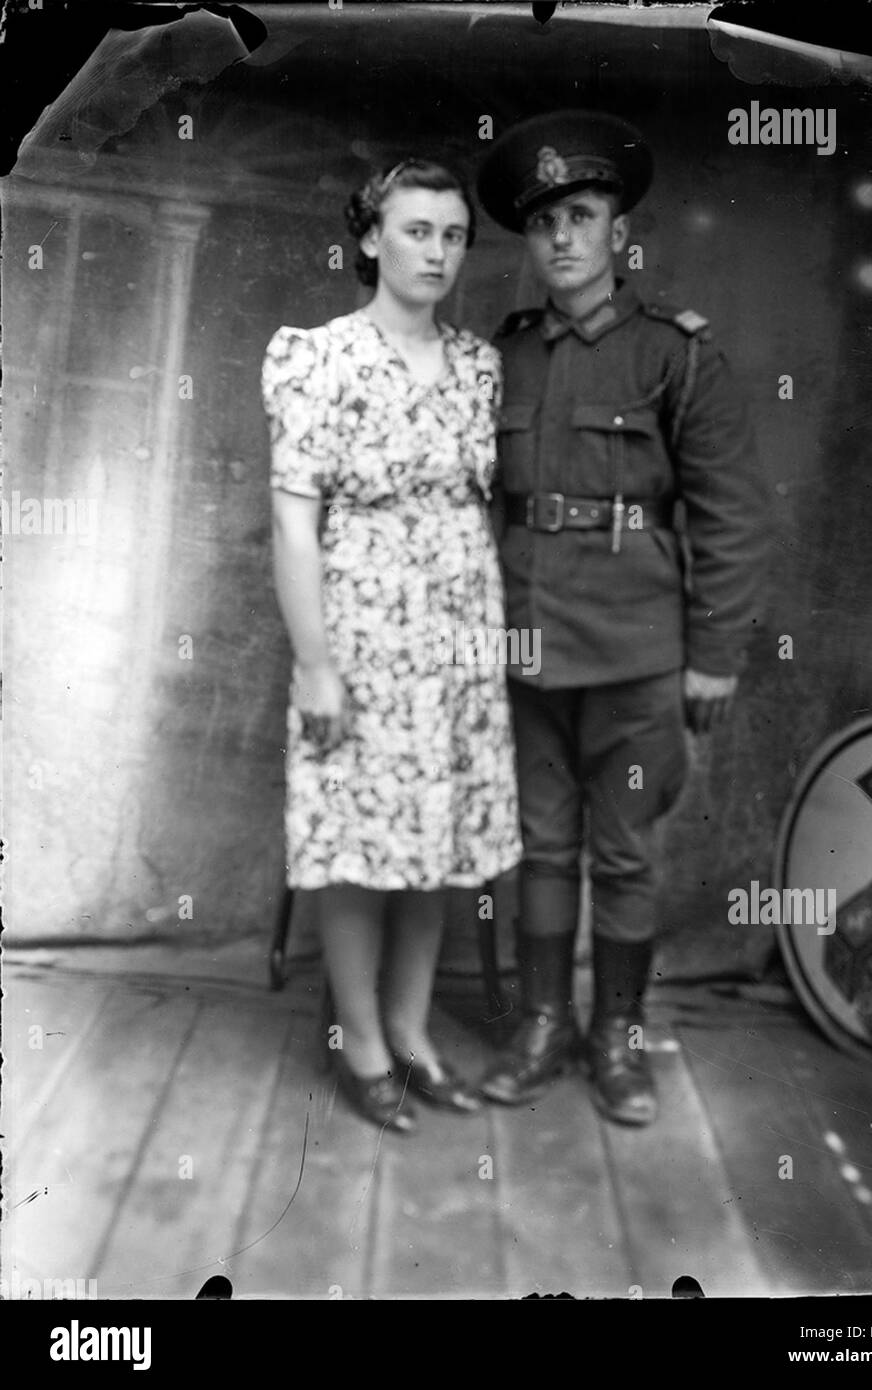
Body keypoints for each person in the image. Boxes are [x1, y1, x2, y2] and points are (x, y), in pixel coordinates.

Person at [475, 111, 770, 1125]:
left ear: (616, 233)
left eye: (582, 214)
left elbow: (732, 515)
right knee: (541, 848)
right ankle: (543, 1024)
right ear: (529, 235)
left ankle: (618, 1039)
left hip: (641, 656)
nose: (562, 236)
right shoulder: (500, 359)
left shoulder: (674, 358)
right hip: (524, 652)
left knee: (626, 855)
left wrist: (715, 658)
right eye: (544, 218)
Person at [262, 159, 521, 1135]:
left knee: (437, 841)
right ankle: (362, 1045)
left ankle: (412, 1033)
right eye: (416, 230)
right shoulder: (314, 357)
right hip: (358, 635)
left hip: (456, 639)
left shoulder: (479, 364)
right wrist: (317, 664)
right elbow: (293, 528)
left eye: (452, 235)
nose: (437, 252)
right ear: (371, 238)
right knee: (356, 846)